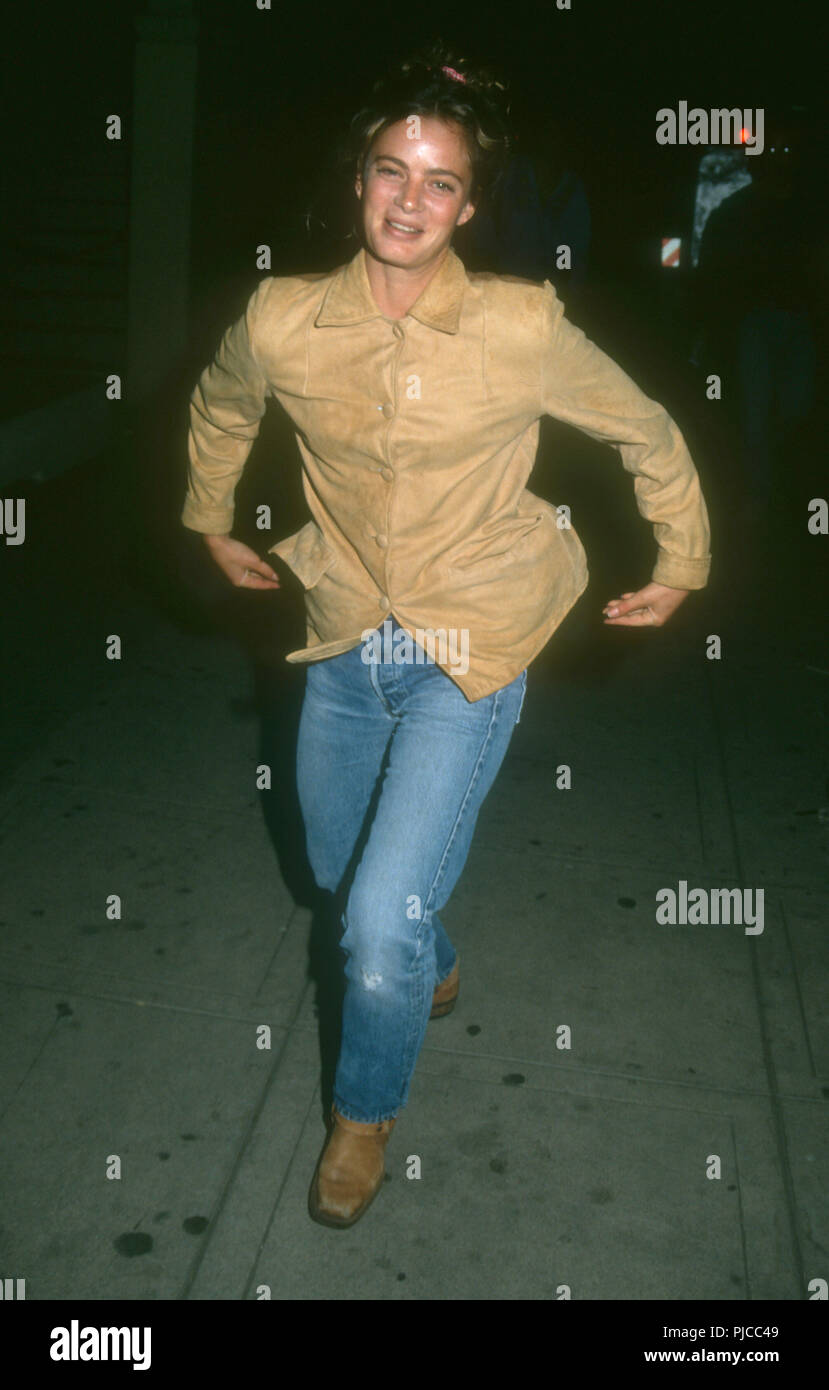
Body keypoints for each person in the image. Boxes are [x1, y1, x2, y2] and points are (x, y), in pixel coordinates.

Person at [181, 42, 711, 1230]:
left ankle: (362, 1116)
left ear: (469, 205)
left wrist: (681, 562)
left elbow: (648, 431)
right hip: (341, 644)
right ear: (357, 182)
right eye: (388, 171)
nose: (408, 199)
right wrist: (205, 518)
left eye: (436, 181)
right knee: (334, 872)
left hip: (469, 649)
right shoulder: (282, 319)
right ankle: (428, 940)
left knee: (372, 922)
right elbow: (219, 407)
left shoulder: (519, 329)